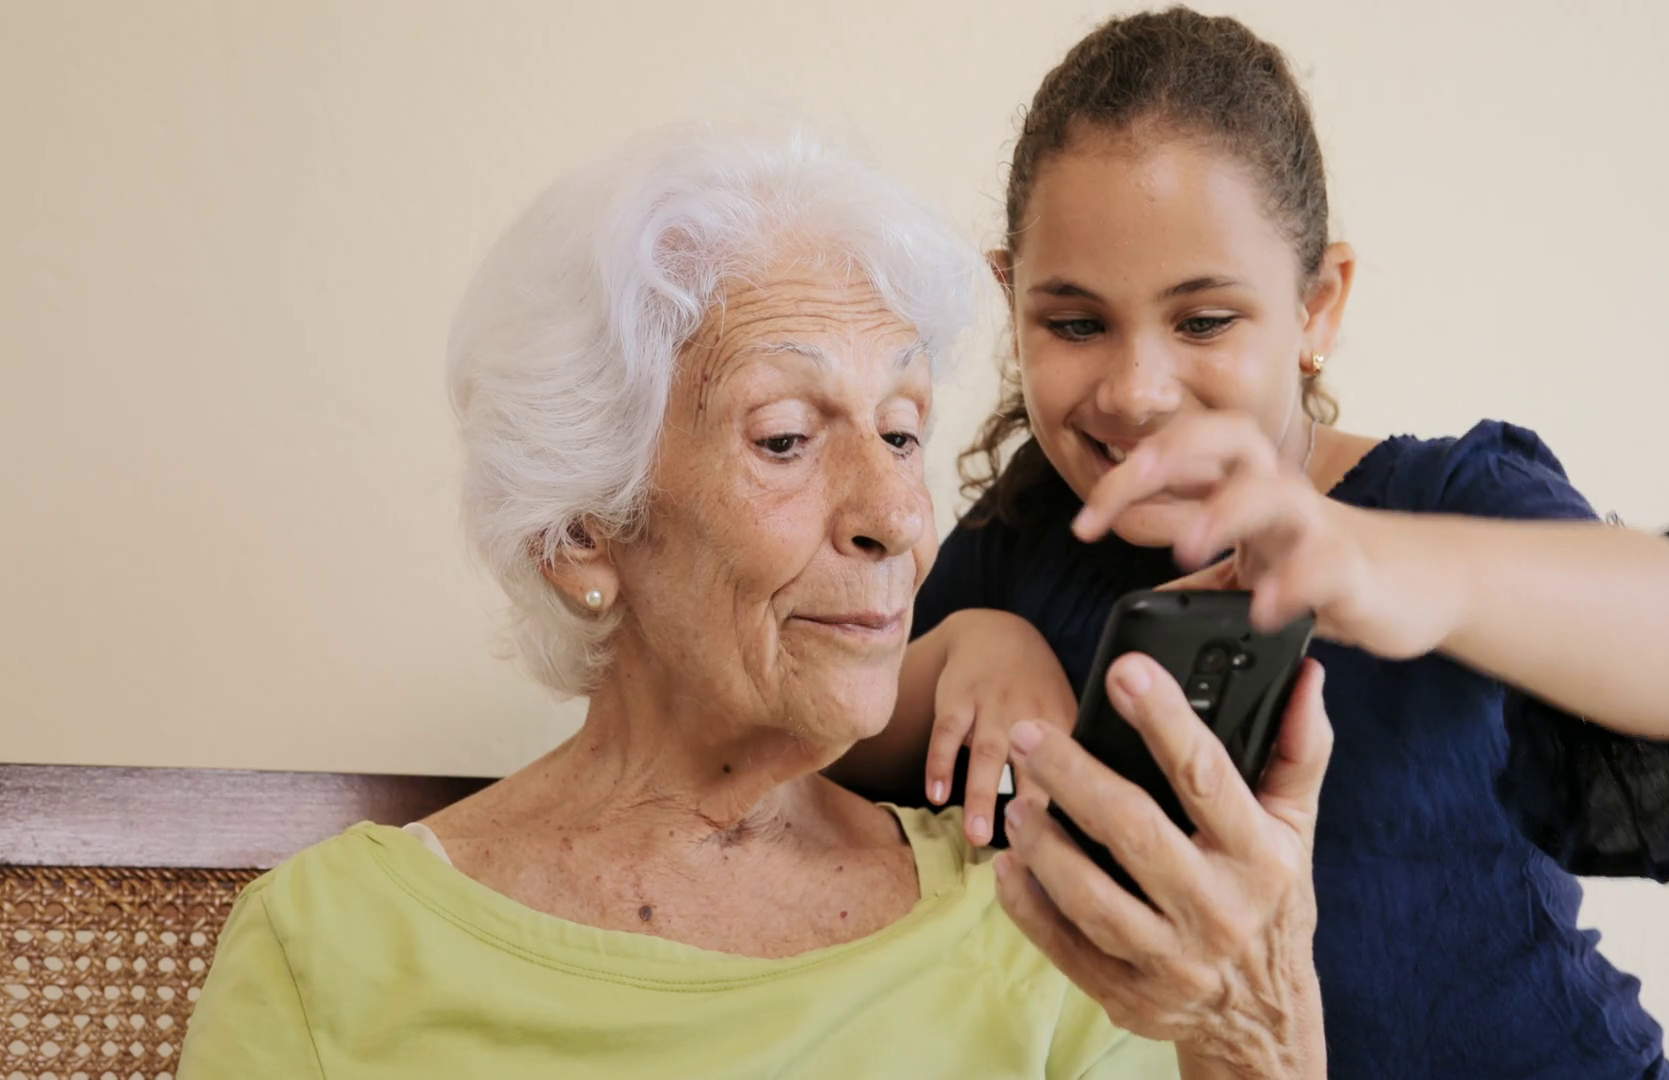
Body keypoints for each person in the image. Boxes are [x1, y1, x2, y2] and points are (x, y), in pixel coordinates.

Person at [177, 125, 1339, 1079]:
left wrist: (1257, 1027)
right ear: (582, 531)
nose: (896, 513)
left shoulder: (1034, 920)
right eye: (786, 438)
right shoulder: (329, 948)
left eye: (903, 432)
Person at [829, 9, 1669, 1079]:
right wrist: (963, 651)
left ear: (1317, 306)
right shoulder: (1026, 536)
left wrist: (1392, 563)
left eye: (1204, 322)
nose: (1136, 391)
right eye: (1077, 324)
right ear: (1012, 302)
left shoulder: (1440, 499)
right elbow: (825, 742)